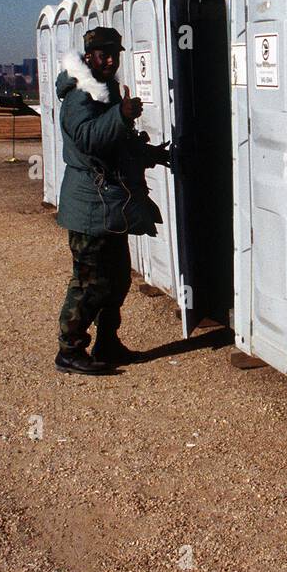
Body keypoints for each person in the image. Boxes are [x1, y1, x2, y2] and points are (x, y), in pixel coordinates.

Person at [54, 27, 170, 375]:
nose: (108, 60)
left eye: (113, 55)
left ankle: (108, 343)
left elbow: (115, 145)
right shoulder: (79, 96)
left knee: (118, 278)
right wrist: (122, 115)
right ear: (87, 57)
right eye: (102, 54)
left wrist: (151, 154)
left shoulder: (105, 92)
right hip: (89, 206)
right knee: (90, 281)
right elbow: (90, 139)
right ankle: (70, 350)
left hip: (108, 206)